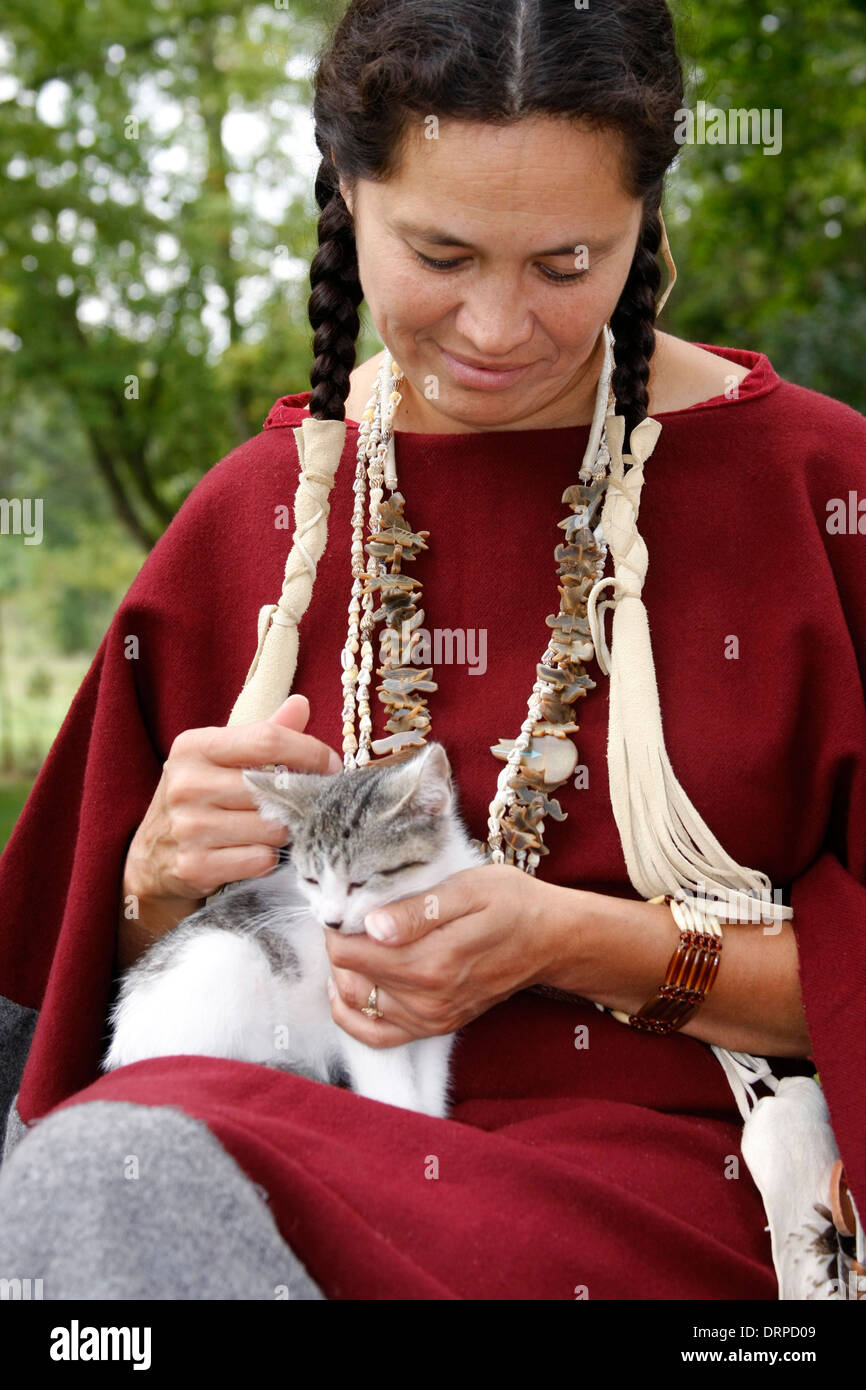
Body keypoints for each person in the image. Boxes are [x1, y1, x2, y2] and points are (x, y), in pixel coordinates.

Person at [1, 0, 864, 1301]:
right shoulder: (261, 513)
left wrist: (566, 938)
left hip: (682, 1191)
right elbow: (62, 1007)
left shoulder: (816, 486)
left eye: (567, 264)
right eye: (441, 252)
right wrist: (154, 885)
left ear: (647, 222)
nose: (497, 326)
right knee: (95, 1175)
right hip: (278, 1134)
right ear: (346, 193)